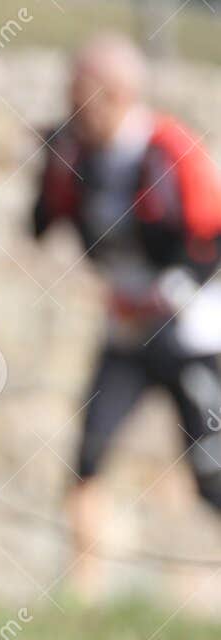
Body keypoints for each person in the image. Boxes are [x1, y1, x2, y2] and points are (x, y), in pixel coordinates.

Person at [32, 32, 221, 594]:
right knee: (88, 453)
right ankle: (82, 595)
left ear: (115, 94)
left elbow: (211, 238)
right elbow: (42, 225)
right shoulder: (77, 157)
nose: (70, 110)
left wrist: (168, 294)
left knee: (211, 475)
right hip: (125, 334)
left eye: (79, 97)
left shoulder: (171, 148)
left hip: (193, 335)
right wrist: (47, 169)